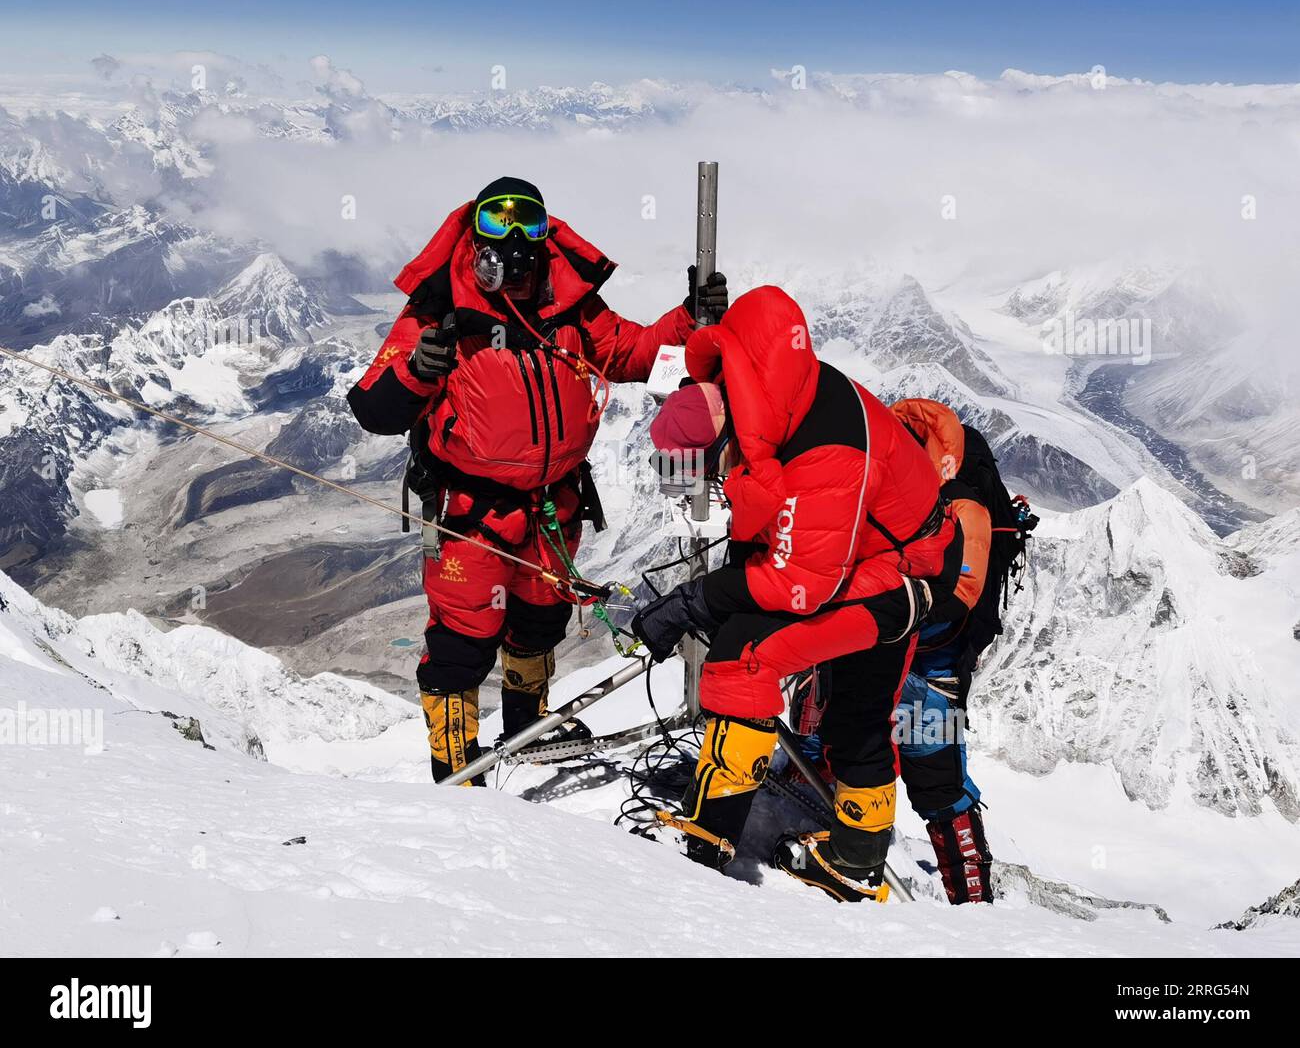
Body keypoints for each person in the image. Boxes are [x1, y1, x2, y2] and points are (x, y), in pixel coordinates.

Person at [348, 176, 727, 783]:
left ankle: (527, 731)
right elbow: (373, 408)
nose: (515, 238)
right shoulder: (439, 311)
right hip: (474, 511)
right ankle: (454, 766)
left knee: (539, 621)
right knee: (462, 640)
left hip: (555, 504)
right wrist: (419, 372)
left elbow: (631, 353)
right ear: (474, 235)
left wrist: (689, 320)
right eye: (498, 223)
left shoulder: (569, 303)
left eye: (528, 223)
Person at [633, 285, 960, 901]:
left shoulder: (824, 453)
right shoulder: (773, 393)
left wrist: (696, 601)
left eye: (709, 468)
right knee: (858, 712)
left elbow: (800, 586)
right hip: (878, 558)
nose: (715, 482)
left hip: (902, 579)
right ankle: (855, 861)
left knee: (743, 654)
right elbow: (791, 529)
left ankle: (708, 836)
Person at [888, 399, 1033, 904]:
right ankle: (970, 899)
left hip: (926, 661)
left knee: (935, 779)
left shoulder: (956, 505)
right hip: (929, 662)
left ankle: (973, 908)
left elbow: (955, 601)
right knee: (937, 781)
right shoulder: (955, 491)